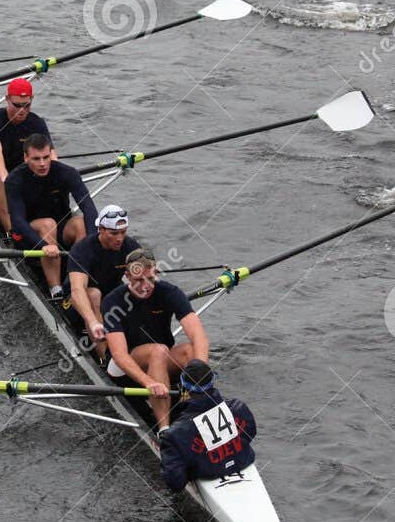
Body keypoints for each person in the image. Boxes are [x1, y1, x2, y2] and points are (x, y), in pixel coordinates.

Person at [100, 248, 209, 430]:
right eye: (138, 280)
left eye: (150, 279)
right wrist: (148, 382)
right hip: (123, 370)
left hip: (159, 360)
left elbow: (199, 336)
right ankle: (164, 430)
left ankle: (198, 413)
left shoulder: (170, 292)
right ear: (127, 276)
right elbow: (119, 355)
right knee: (159, 351)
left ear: (156, 273)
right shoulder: (113, 301)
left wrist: (201, 372)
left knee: (191, 351)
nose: (145, 286)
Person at [4, 133, 97, 299]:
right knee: (48, 224)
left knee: (81, 223)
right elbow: (17, 221)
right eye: (36, 159)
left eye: (46, 157)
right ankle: (56, 290)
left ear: (51, 154)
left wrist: (92, 239)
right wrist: (43, 245)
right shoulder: (15, 179)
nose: (42, 164)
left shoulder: (67, 173)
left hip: (60, 230)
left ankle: (74, 280)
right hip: (29, 235)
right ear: (25, 158)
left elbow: (89, 208)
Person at [158, 361, 258, 492]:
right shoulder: (238, 407)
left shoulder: (173, 436)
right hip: (242, 461)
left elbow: (175, 483)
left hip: (208, 473)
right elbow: (250, 433)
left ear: (184, 387)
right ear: (212, 382)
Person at [0, 77, 48, 231]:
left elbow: (50, 155)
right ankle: (11, 231)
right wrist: (7, 180)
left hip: (18, 176)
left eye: (26, 105)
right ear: (7, 99)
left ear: (32, 99)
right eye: (17, 105)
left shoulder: (37, 123)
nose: (22, 110)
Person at [67, 203, 141, 355]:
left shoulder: (130, 246)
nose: (120, 238)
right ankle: (104, 358)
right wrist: (93, 322)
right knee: (94, 294)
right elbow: (77, 290)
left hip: (108, 298)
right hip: (74, 304)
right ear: (100, 229)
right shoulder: (82, 250)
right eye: (114, 233)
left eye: (123, 232)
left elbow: (146, 277)